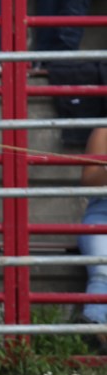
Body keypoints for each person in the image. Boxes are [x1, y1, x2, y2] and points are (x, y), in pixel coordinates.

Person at [77, 126, 107, 355]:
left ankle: (94, 323)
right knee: (102, 267)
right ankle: (94, 327)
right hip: (101, 215)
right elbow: (88, 181)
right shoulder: (102, 133)